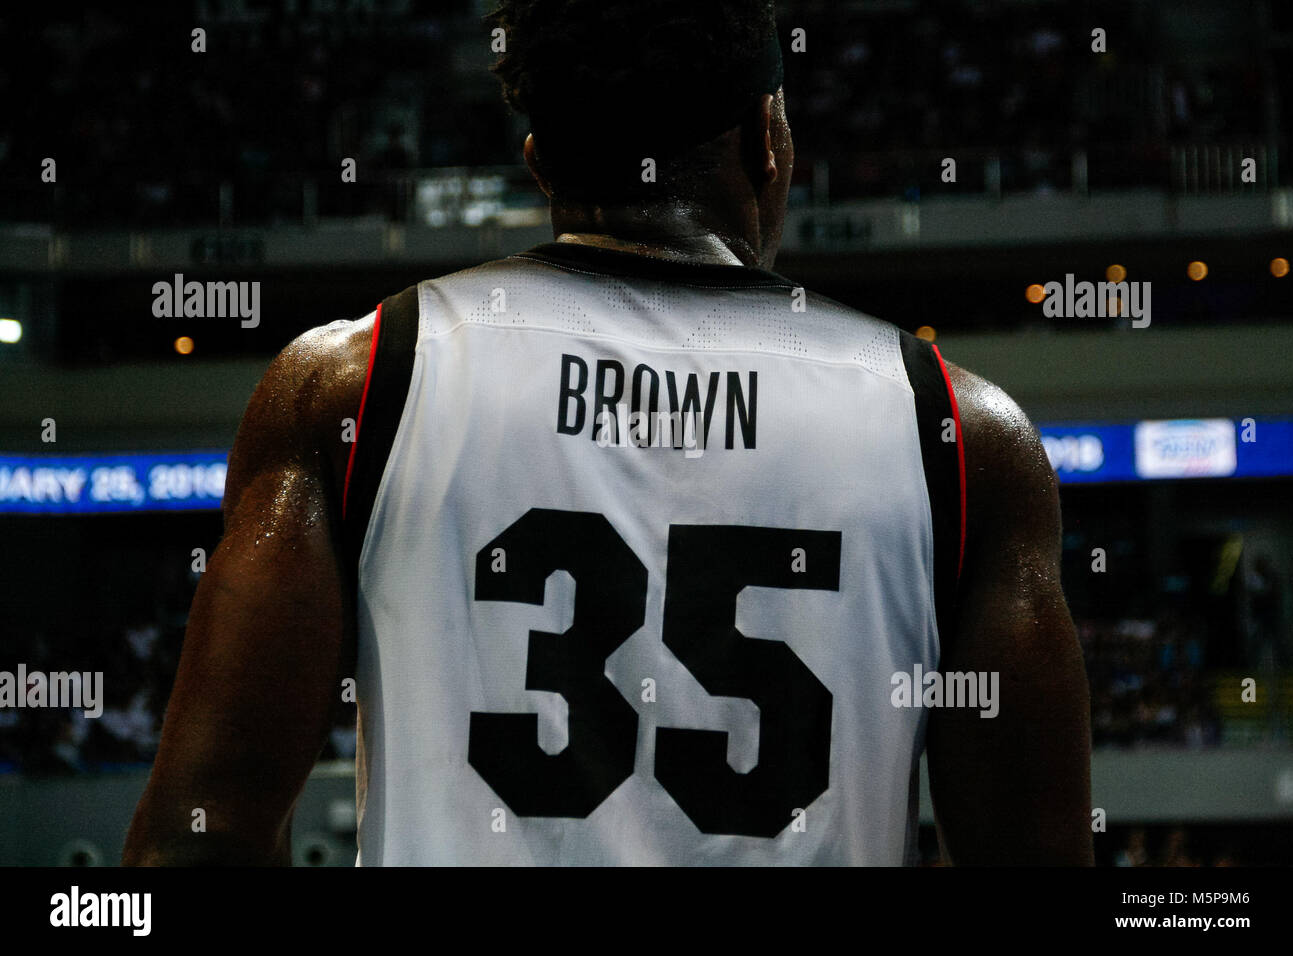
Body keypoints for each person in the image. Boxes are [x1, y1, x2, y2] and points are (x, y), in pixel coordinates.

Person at [123, 0, 1092, 866]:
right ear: (767, 140)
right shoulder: (961, 435)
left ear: (537, 158)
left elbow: (194, 837)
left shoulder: (350, 388)